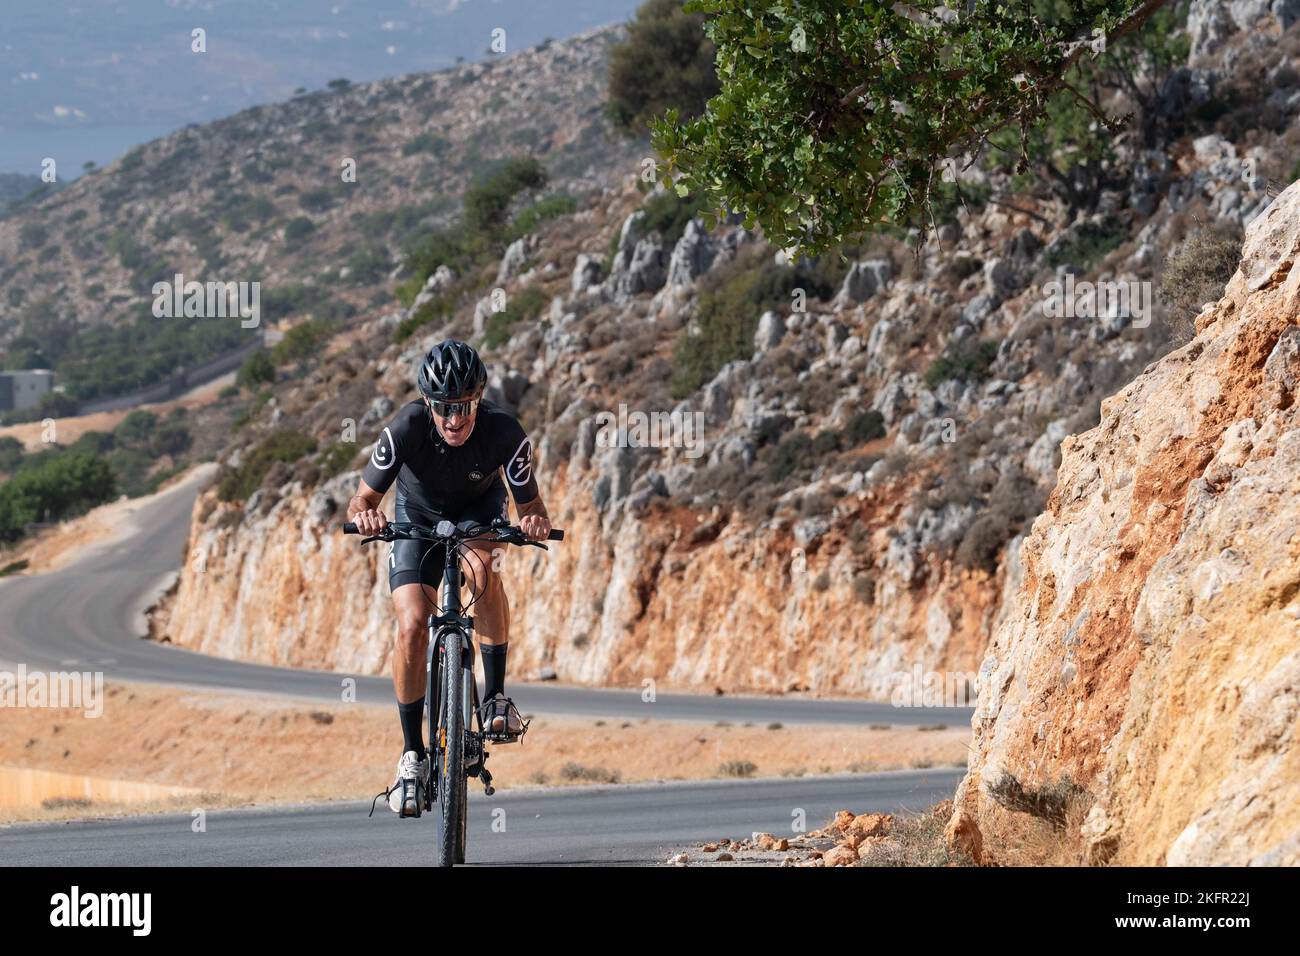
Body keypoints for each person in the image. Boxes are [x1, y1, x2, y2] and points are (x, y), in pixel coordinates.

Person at [347, 339, 551, 815]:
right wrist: (367, 517)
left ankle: (495, 697)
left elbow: (531, 506)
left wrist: (535, 521)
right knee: (412, 625)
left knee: (484, 571)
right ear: (428, 404)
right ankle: (411, 756)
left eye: (463, 407)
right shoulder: (405, 427)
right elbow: (360, 502)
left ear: (478, 399)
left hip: (479, 513)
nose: (453, 419)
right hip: (415, 516)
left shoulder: (504, 431)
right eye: (443, 408)